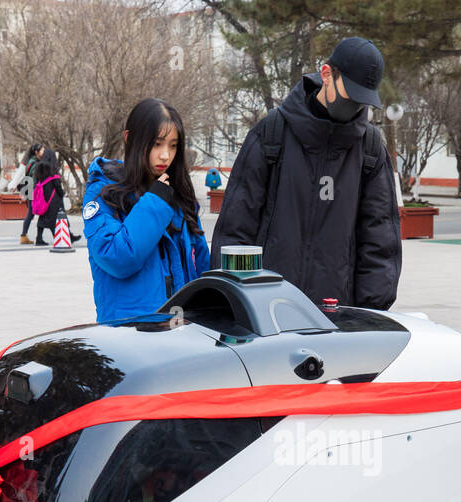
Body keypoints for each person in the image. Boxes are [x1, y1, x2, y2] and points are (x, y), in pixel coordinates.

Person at [212, 37, 401, 309]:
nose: (356, 105)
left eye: (364, 99)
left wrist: (367, 315)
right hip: (266, 314)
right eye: (351, 93)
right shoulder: (271, 134)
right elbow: (235, 230)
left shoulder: (370, 150)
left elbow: (380, 244)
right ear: (327, 74)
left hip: (338, 319)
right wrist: (234, 303)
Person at [82, 99, 210, 325]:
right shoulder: (103, 192)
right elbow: (116, 257)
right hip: (130, 333)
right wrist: (155, 201)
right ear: (129, 139)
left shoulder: (179, 196)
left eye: (173, 145)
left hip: (182, 330)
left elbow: (202, 267)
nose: (165, 156)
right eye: (157, 144)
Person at [30, 150, 81, 247]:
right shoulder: (52, 170)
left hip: (44, 200)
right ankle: (62, 238)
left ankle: (39, 238)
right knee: (57, 219)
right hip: (54, 201)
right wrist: (62, 193)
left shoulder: (40, 168)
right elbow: (57, 186)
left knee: (43, 220)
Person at [19, 143, 43, 245]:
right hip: (34, 191)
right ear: (36, 152)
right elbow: (34, 179)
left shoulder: (31, 161)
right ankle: (25, 236)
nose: (44, 151)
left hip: (30, 190)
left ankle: (24, 236)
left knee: (30, 214)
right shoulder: (35, 163)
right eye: (42, 150)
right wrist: (36, 192)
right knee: (31, 214)